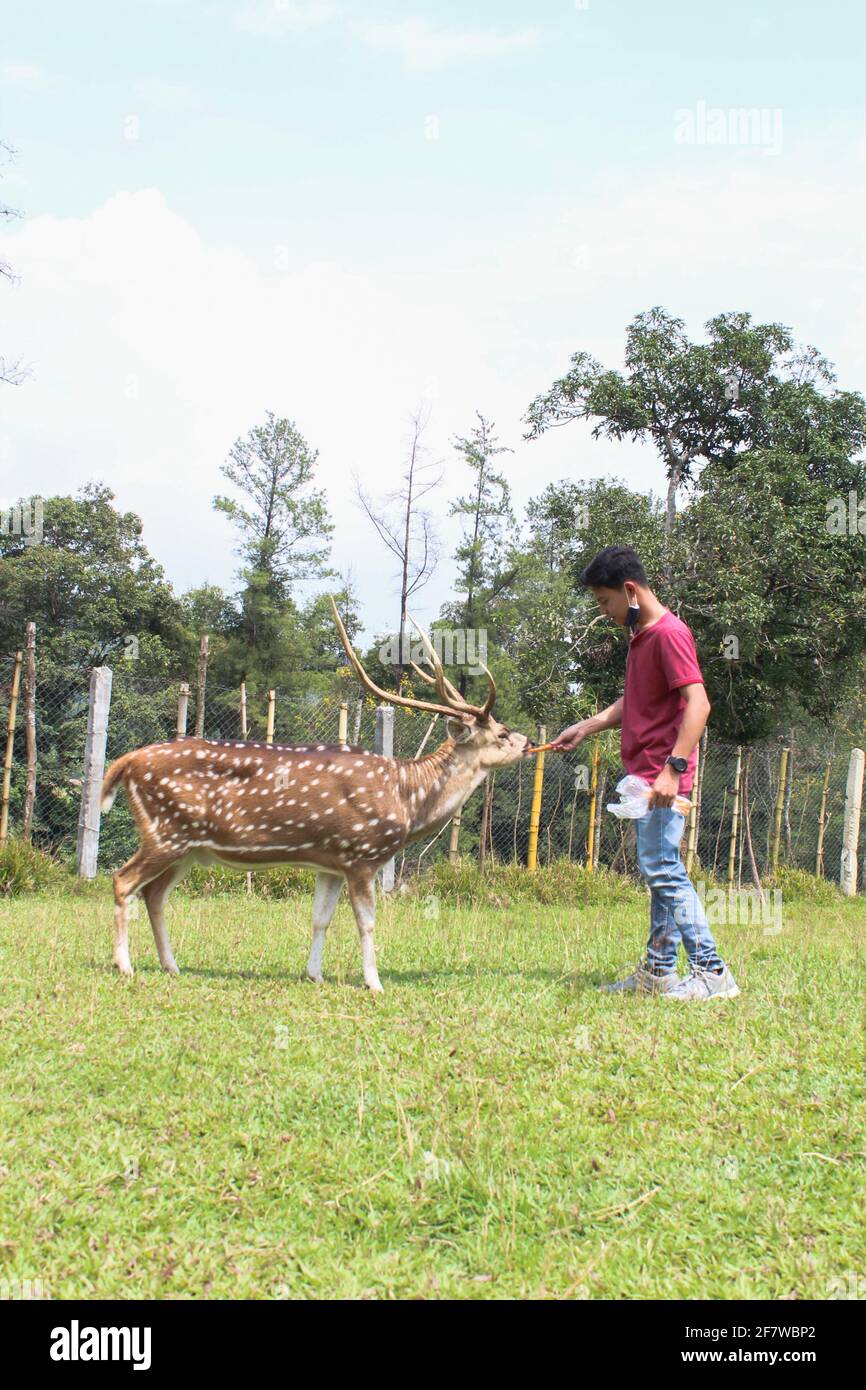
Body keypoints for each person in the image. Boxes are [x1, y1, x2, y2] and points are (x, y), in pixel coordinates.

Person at [552, 545, 739, 1000]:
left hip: (662, 776)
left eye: (604, 601)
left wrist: (673, 770)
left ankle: (712, 972)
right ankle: (658, 971)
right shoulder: (642, 638)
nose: (604, 611)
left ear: (630, 591)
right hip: (648, 774)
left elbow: (699, 703)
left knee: (660, 867)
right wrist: (589, 724)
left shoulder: (669, 634)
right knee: (661, 870)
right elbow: (637, 701)